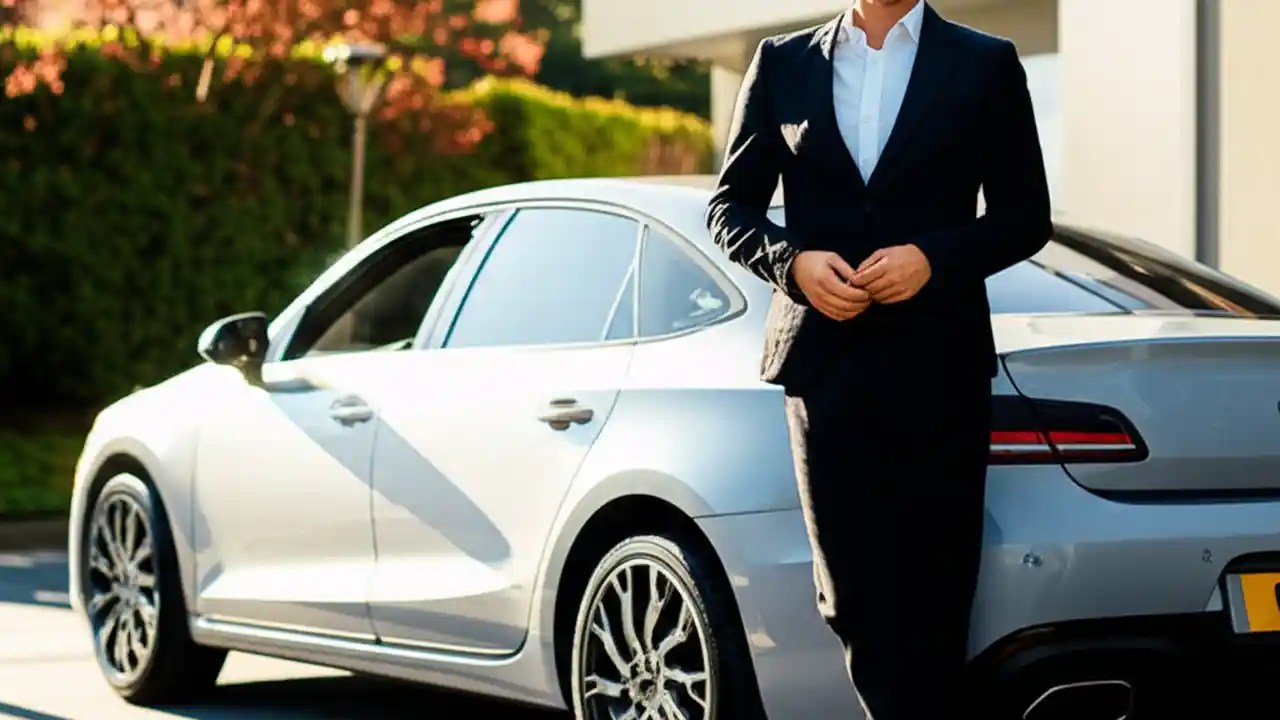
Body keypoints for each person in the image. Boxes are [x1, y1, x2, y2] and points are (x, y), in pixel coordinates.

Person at [705, 0, 1052, 717]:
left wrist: (934, 257)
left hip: (939, 368)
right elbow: (729, 208)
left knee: (934, 600)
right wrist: (791, 264)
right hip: (823, 367)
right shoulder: (781, 62)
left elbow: (1026, 216)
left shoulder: (985, 63)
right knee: (851, 600)